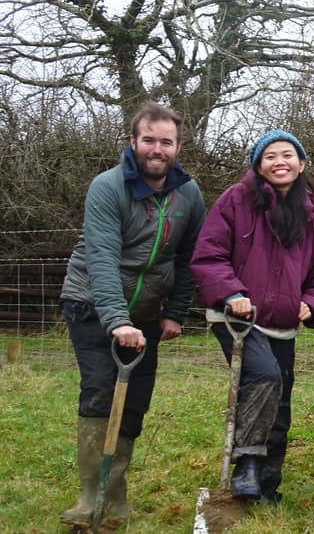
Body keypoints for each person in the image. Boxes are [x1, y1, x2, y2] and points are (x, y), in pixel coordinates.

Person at [58, 102, 206, 528]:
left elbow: (189, 258)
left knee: (135, 401)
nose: (157, 149)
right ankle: (91, 497)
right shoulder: (108, 188)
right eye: (149, 140)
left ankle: (115, 495)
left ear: (177, 146)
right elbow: (103, 260)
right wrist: (117, 320)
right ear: (133, 142)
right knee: (102, 390)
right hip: (90, 301)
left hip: (145, 310)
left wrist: (175, 311)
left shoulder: (189, 195)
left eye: (166, 142)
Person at [190, 130, 314, 503]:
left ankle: (267, 485)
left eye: (288, 155)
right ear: (259, 165)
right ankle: (247, 465)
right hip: (237, 318)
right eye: (270, 156)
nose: (279, 162)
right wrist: (232, 293)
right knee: (264, 375)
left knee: (281, 398)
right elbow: (209, 255)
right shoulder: (236, 201)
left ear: (301, 164)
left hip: (283, 324)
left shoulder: (308, 214)